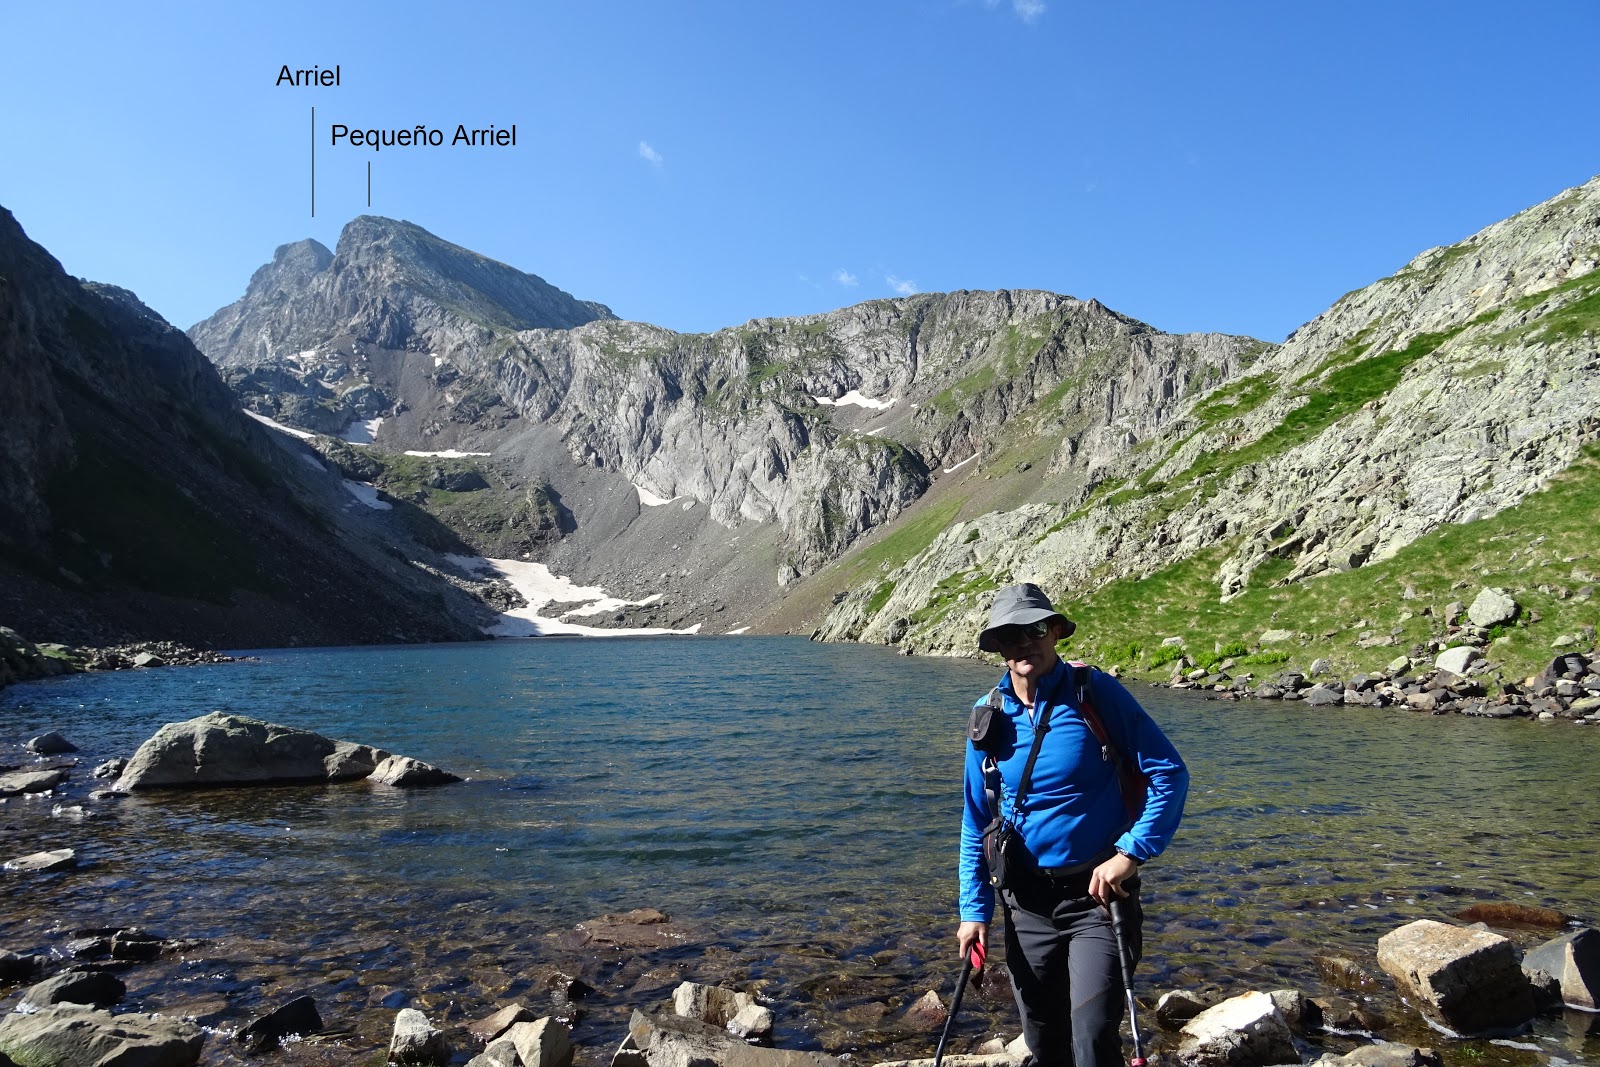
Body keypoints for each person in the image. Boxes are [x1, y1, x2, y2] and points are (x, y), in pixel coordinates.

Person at [957, 583, 1188, 1067]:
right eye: (1010, 634)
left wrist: (1130, 854)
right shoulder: (988, 714)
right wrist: (974, 911)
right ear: (997, 645)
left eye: (1037, 629)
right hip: (1024, 905)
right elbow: (977, 819)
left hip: (1097, 901)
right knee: (1043, 1043)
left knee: (1092, 1040)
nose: (1025, 642)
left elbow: (1168, 772)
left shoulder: (1094, 694)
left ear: (1056, 632)